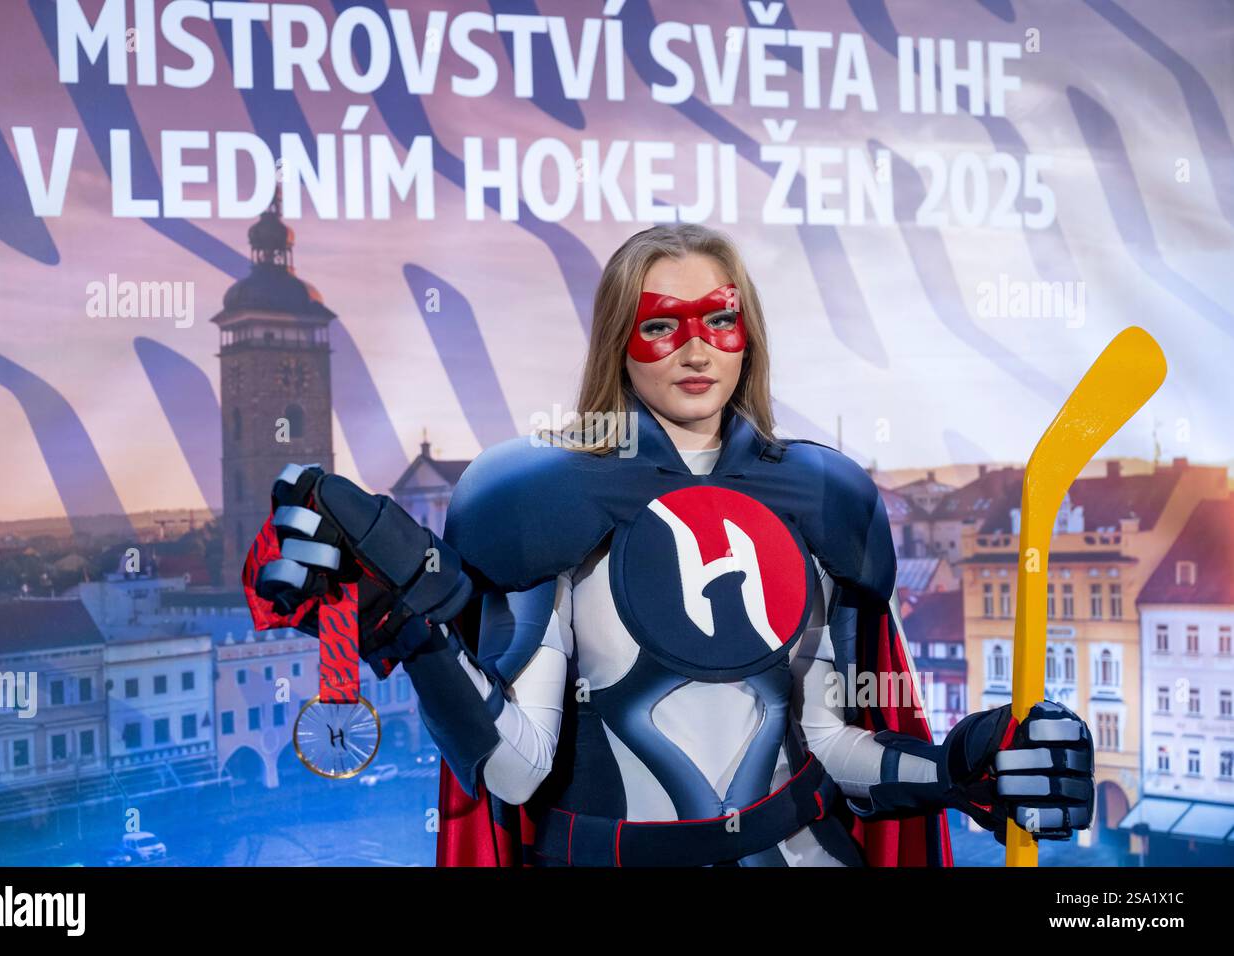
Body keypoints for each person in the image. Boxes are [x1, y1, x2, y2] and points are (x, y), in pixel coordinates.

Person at [245, 223, 1095, 867]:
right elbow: (513, 768)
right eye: (662, 324)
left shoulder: (823, 498)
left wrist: (969, 767)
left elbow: (834, 748)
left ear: (748, 332)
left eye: (719, 319)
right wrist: (411, 621)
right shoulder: (541, 500)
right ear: (620, 337)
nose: (695, 347)